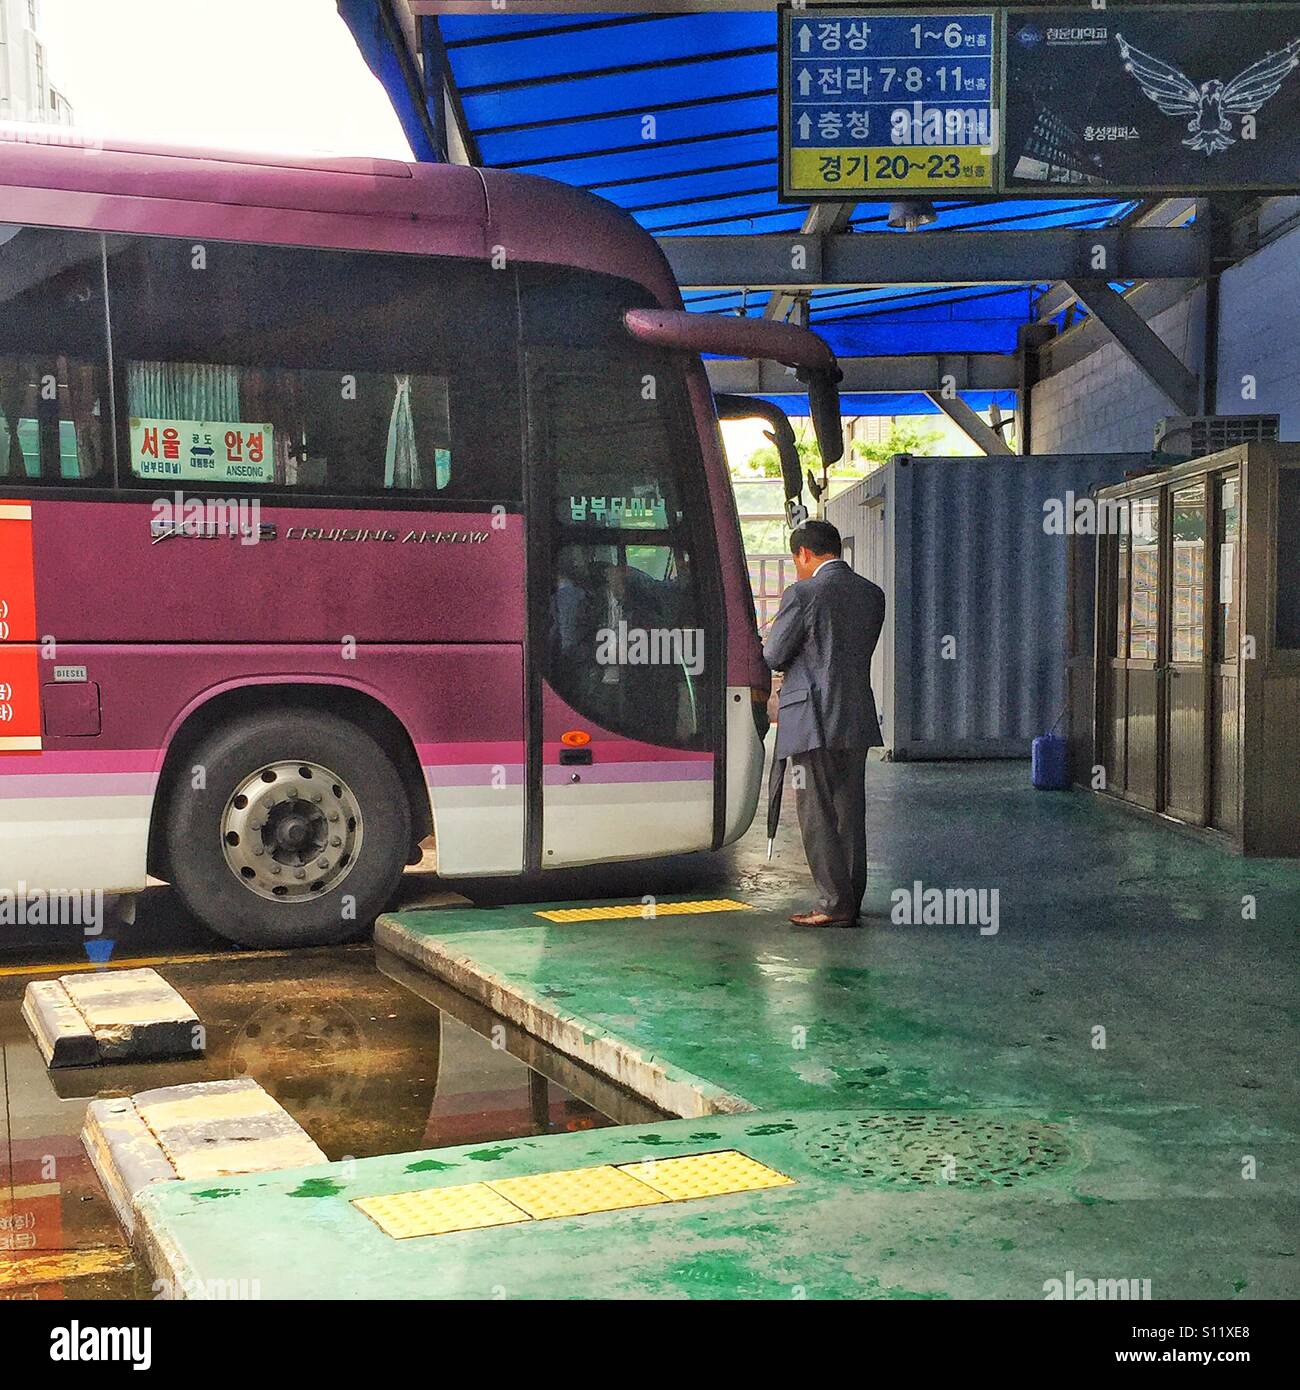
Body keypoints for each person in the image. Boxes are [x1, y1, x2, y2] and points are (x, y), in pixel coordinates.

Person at [763, 520, 885, 928]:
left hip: (810, 718)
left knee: (815, 810)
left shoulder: (802, 592)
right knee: (849, 811)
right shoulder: (872, 594)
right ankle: (850, 899)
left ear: (804, 554)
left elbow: (776, 655)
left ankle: (833, 904)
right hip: (855, 715)